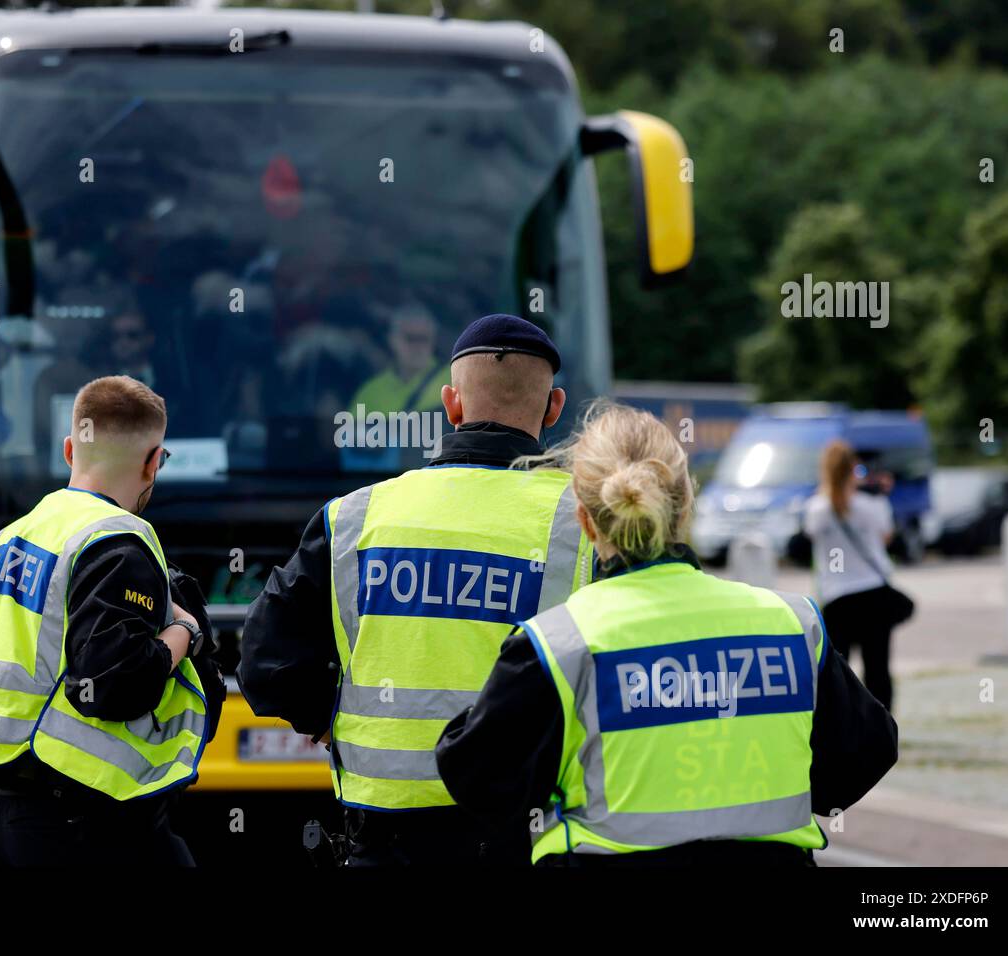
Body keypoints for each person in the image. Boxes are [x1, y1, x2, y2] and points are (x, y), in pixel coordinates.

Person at [436, 402, 897, 866]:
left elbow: (481, 782)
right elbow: (866, 753)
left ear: (583, 517)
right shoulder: (792, 624)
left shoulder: (558, 644)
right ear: (686, 503)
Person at [239, 314, 596, 866]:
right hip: (525, 834)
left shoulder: (355, 517)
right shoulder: (587, 525)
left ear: (451, 404)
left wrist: (330, 721)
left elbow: (264, 664)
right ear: (553, 408)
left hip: (386, 839)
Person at [0, 375, 225, 866]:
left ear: (70, 450)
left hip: (9, 812)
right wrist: (184, 631)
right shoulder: (117, 541)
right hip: (88, 823)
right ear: (154, 462)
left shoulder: (6, 541)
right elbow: (113, 685)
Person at [804, 439, 900, 711]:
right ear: (853, 469)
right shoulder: (871, 505)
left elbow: (810, 536)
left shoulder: (816, 508)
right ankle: (882, 727)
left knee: (839, 670)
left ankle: (843, 728)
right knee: (878, 667)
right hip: (873, 592)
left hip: (837, 596)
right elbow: (887, 536)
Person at [350, 304, 450, 415]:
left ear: (433, 341)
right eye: (410, 338)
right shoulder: (370, 393)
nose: (418, 346)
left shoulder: (454, 381)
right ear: (393, 341)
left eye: (424, 339)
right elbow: (351, 431)